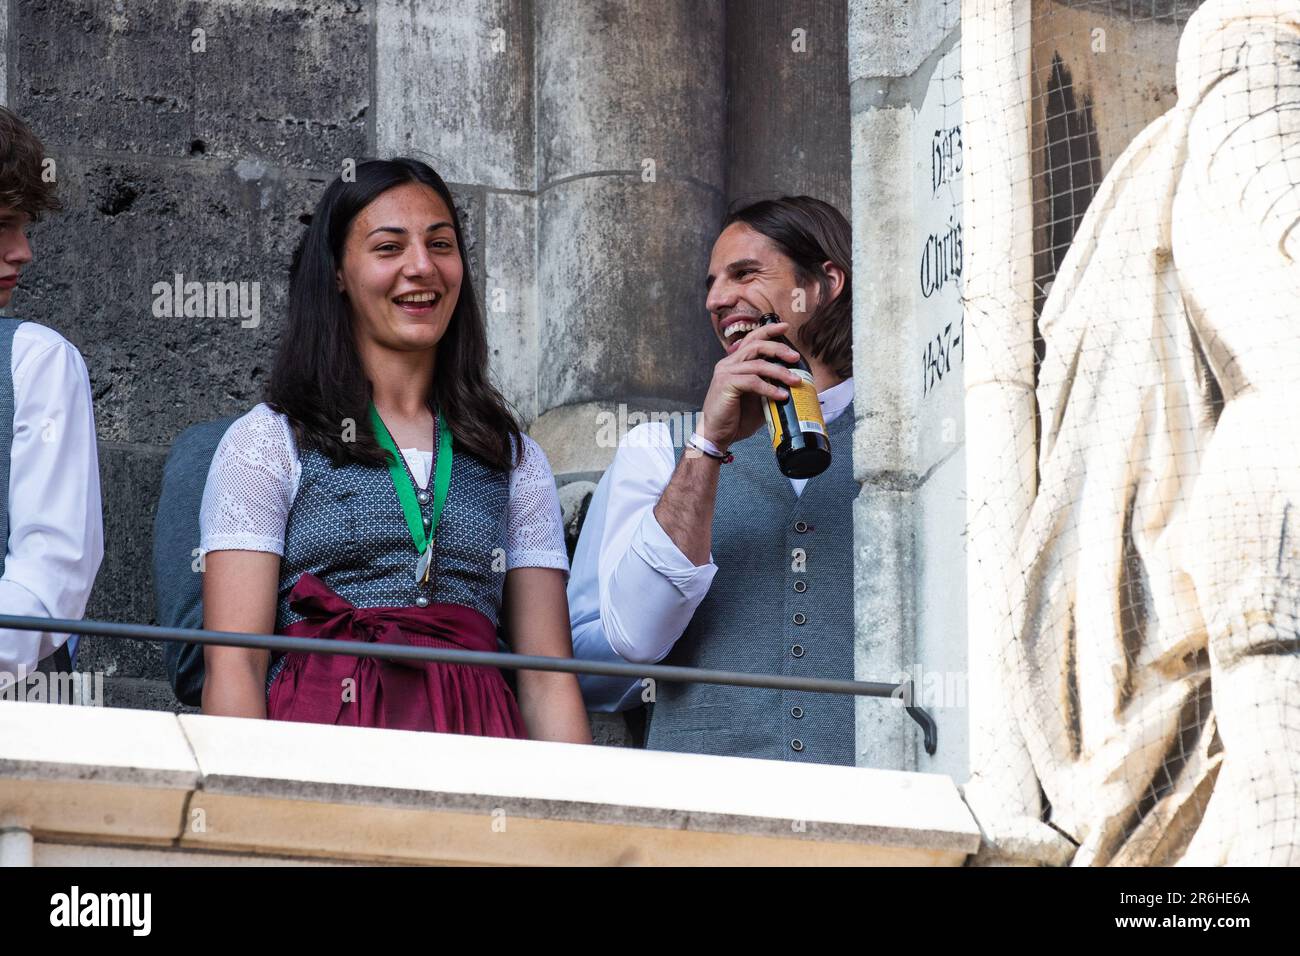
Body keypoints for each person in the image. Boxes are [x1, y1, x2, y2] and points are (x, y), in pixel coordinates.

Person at [199, 157, 590, 743]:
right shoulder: (269, 440)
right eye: (388, 248)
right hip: (320, 745)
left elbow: (545, 679)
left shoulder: (513, 457)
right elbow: (236, 662)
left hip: (477, 748)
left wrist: (574, 827)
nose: (421, 267)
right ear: (336, 272)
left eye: (441, 244)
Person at [569, 196, 855, 764]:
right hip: (701, 814)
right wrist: (708, 446)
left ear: (824, 283)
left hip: (883, 809)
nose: (717, 299)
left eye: (745, 273)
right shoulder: (656, 449)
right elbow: (619, 649)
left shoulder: (906, 452)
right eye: (712, 283)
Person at [0, 106, 103, 690]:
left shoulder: (34, 360)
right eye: (0, 227)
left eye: (23, 226)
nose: (23, 252)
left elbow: (46, 585)